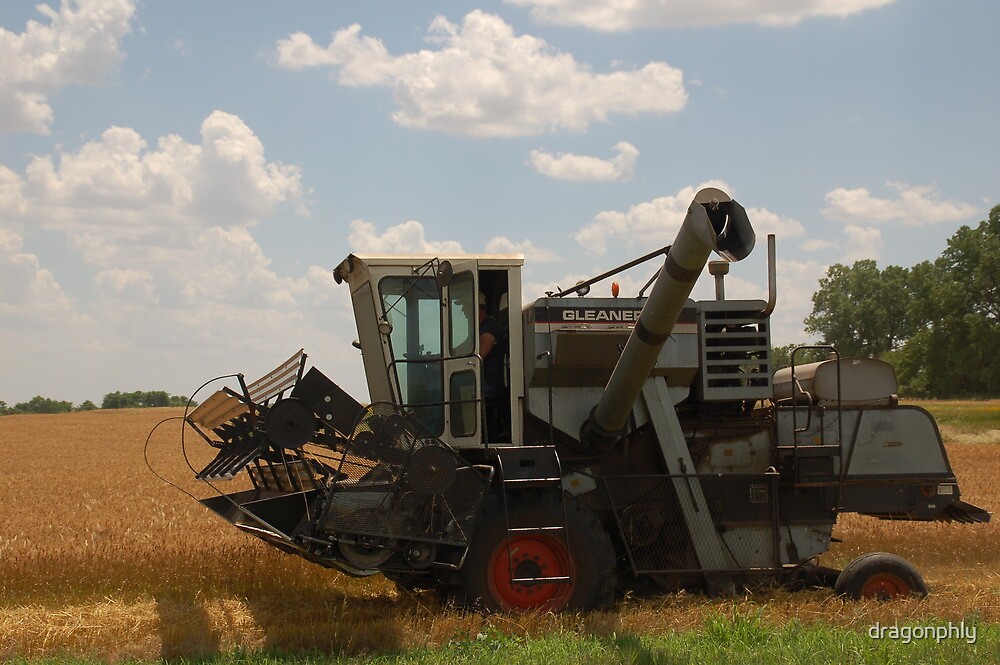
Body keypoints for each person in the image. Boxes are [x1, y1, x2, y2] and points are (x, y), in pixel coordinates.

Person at [479, 292, 509, 442]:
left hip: (490, 384)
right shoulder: (482, 328)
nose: (464, 312)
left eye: (465, 307)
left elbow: (476, 357)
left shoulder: (490, 329)